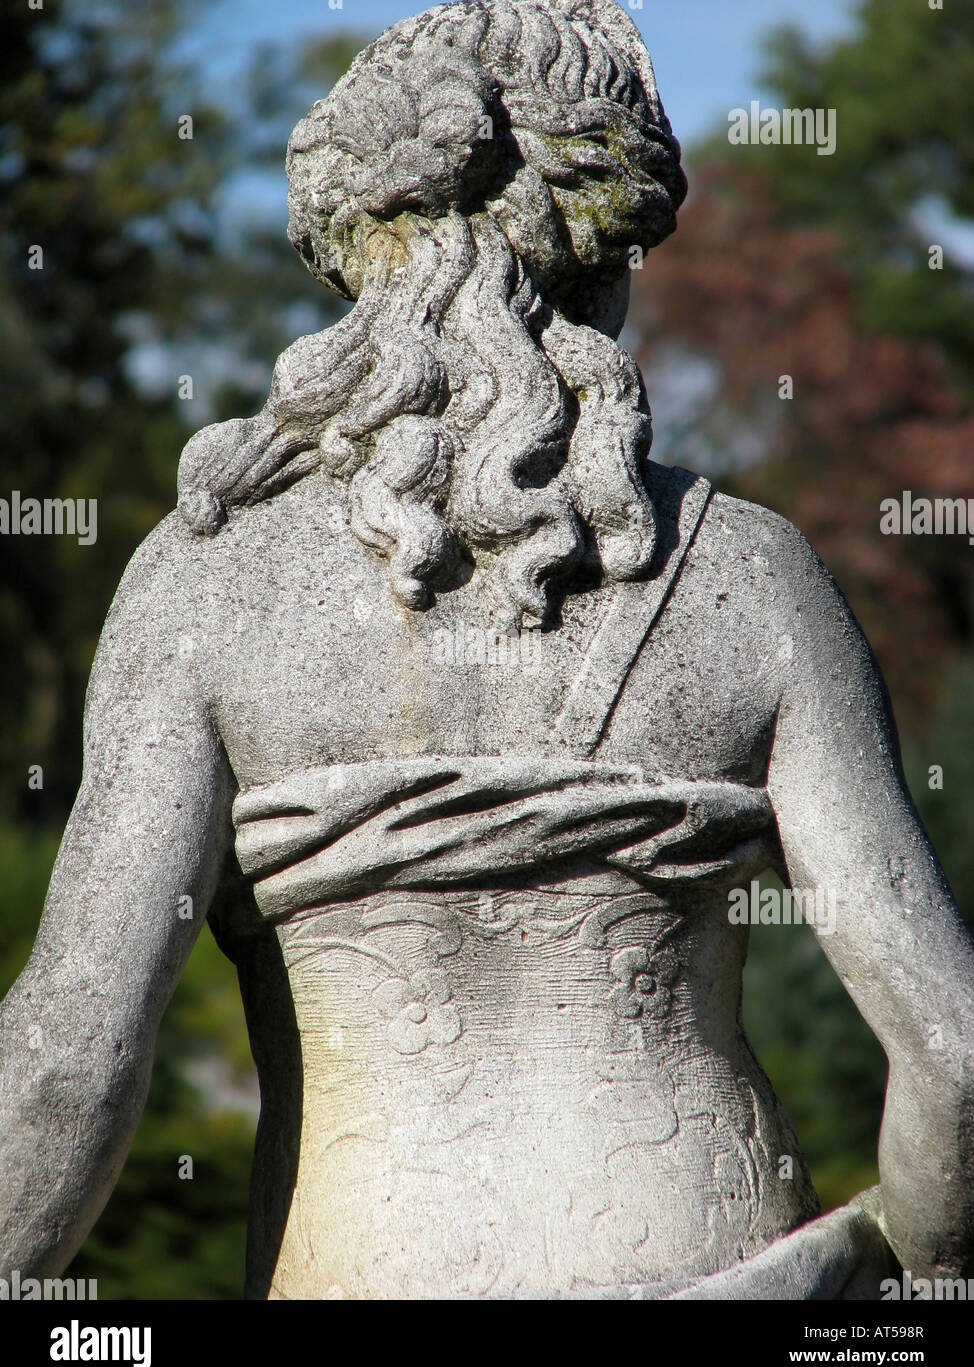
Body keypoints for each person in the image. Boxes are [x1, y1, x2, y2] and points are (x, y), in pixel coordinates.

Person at [1, 0, 972, 1300]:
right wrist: (917, 1277)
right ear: (603, 264)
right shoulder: (752, 574)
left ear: (354, 257)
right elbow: (955, 1054)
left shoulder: (206, 578)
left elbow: (66, 1066)